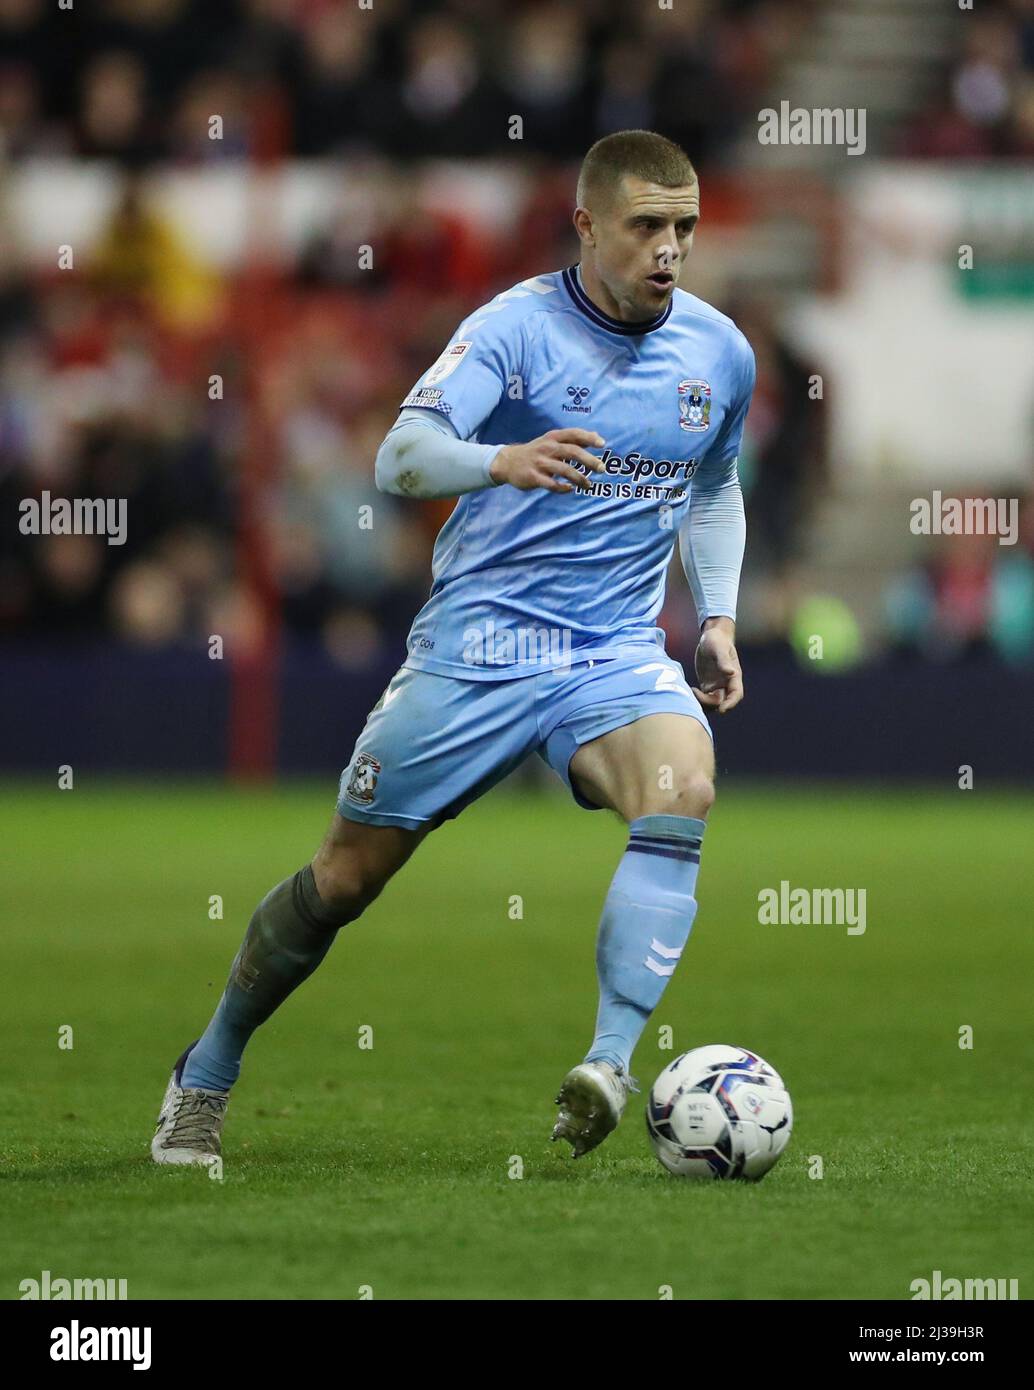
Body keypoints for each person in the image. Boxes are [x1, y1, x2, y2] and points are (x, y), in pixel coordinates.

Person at [152, 129, 755, 1166]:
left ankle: (607, 1065)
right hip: (478, 643)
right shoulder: (512, 331)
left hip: (609, 649)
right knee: (342, 880)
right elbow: (399, 458)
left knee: (682, 784)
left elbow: (714, 484)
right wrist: (501, 459)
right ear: (586, 225)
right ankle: (204, 1070)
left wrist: (715, 615)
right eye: (645, 225)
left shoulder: (717, 352)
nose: (668, 248)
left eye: (684, 227)